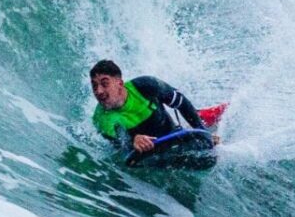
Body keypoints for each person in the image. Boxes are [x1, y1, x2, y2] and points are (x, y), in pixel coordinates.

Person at [88, 59, 221, 158]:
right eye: (94, 86)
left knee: (210, 137)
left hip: (174, 135)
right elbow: (122, 142)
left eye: (104, 84)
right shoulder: (101, 118)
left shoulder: (146, 86)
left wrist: (204, 133)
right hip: (151, 154)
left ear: (120, 83)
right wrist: (133, 140)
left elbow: (181, 103)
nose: (98, 91)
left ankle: (202, 121)